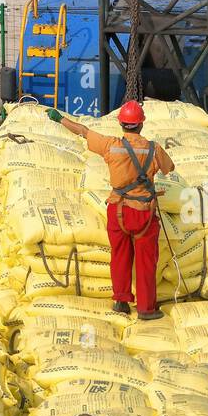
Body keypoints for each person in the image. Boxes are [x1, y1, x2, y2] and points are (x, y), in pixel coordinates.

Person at [50, 101, 173, 319]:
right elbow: (169, 168)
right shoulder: (154, 149)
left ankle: (121, 302)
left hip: (118, 211)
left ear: (121, 125)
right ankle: (146, 309)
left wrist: (60, 119)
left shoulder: (110, 145)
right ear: (141, 125)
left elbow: (83, 131)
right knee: (146, 261)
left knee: (119, 256)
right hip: (144, 212)